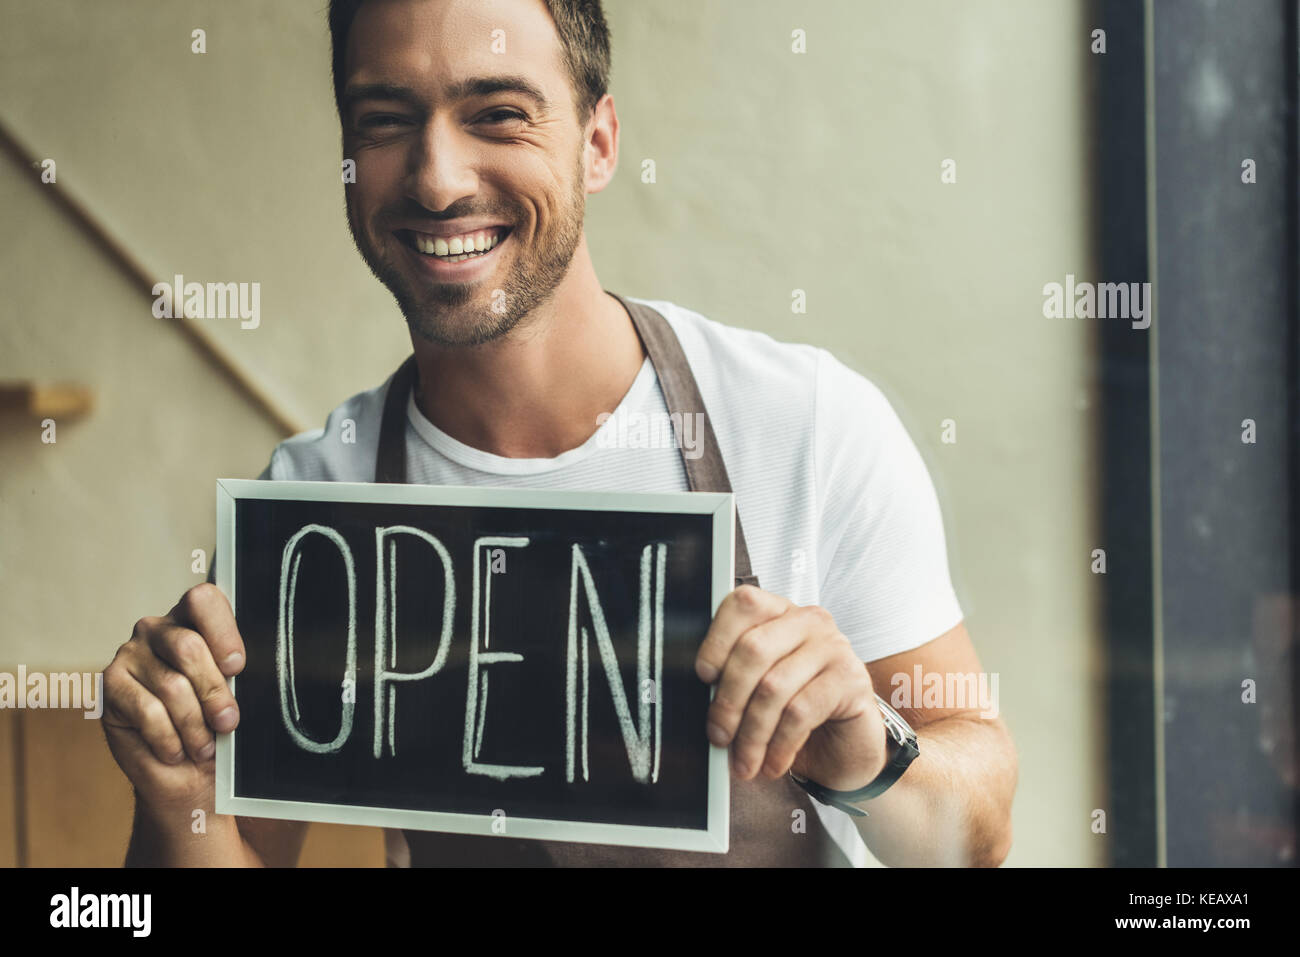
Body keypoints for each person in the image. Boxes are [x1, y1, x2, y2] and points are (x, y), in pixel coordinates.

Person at [103, 0, 1017, 867]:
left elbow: (975, 839)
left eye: (498, 114)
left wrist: (868, 753)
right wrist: (175, 788)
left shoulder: (806, 426)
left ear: (599, 142)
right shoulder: (308, 513)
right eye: (384, 120)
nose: (437, 177)